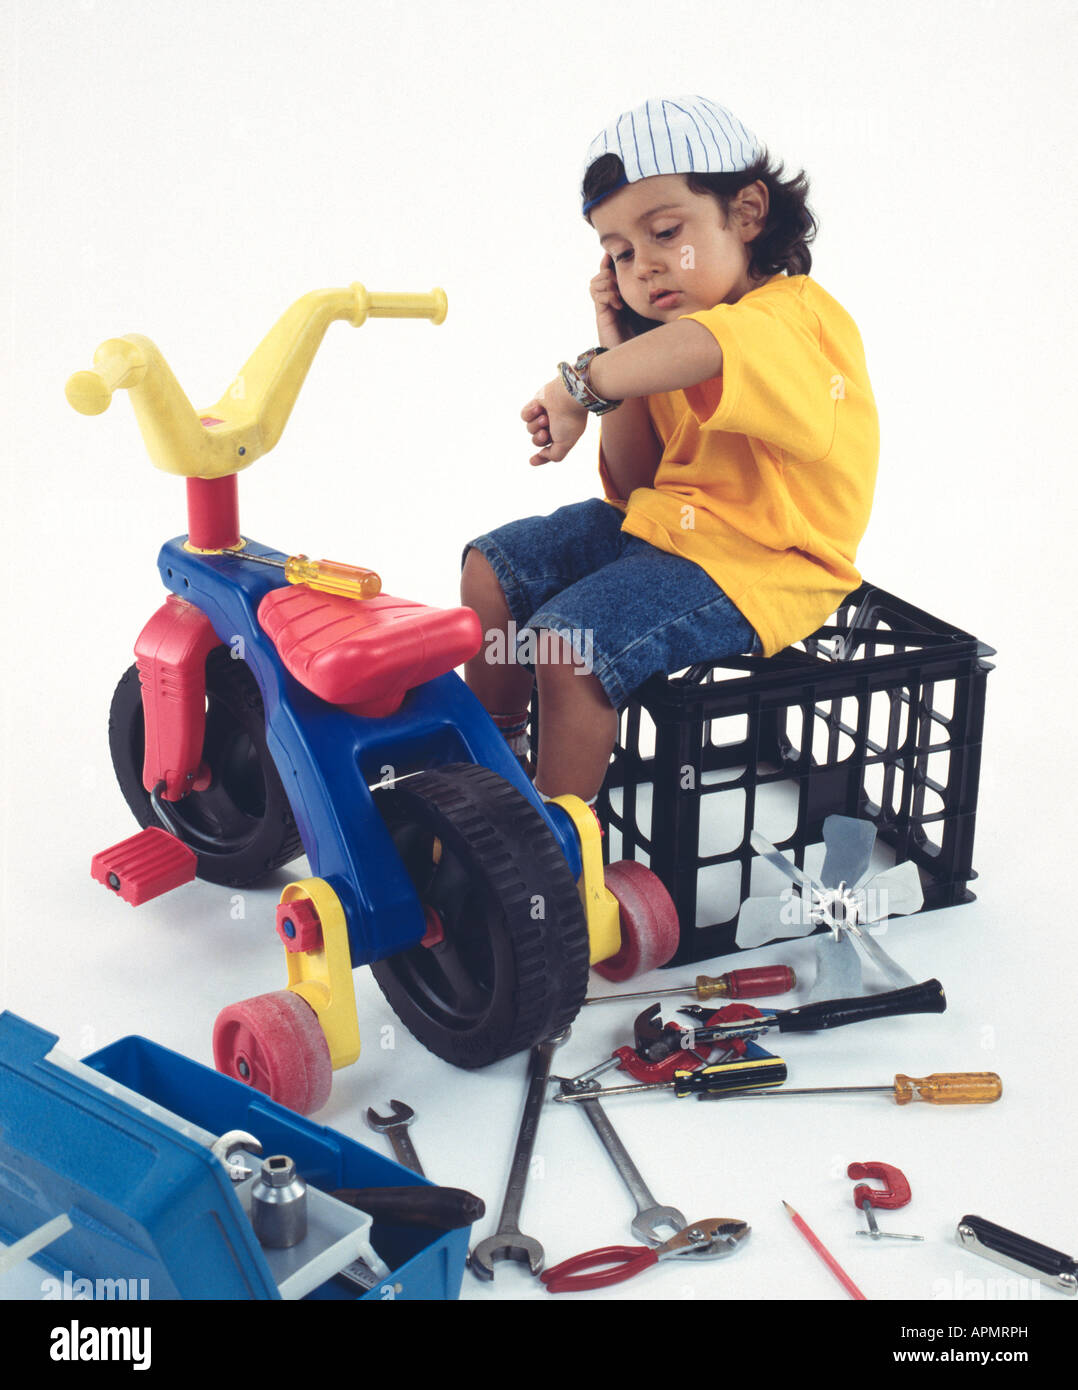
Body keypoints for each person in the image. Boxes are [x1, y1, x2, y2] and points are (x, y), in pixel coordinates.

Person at [461, 96, 879, 806]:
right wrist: (617, 349)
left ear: (747, 214)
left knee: (570, 644)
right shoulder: (662, 348)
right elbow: (633, 484)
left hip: (768, 564)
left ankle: (556, 848)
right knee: (491, 569)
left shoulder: (788, 319)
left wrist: (582, 384)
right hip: (665, 528)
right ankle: (497, 755)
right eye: (620, 253)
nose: (645, 268)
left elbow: (704, 350)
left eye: (663, 233)